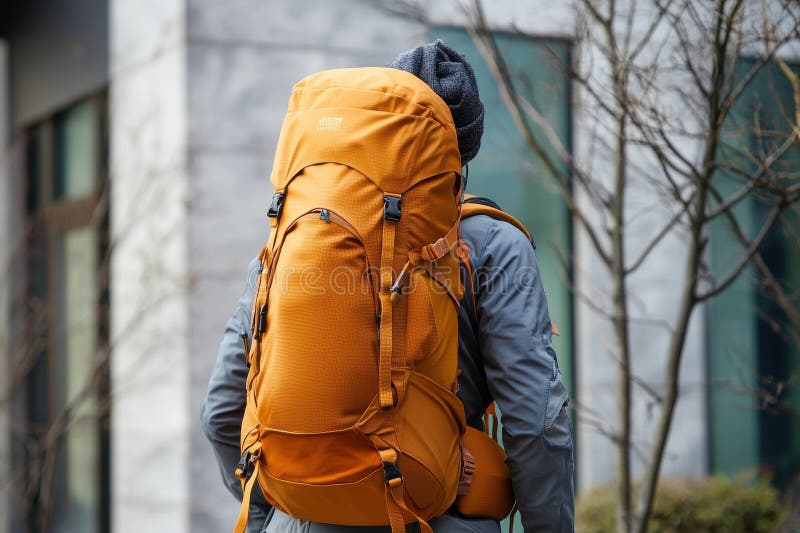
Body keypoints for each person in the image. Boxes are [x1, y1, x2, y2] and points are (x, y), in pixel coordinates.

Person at [201, 40, 574, 533]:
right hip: (432, 515)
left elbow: (222, 410)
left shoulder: (298, 234)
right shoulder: (495, 244)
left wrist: (282, 506)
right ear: (465, 148)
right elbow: (537, 422)